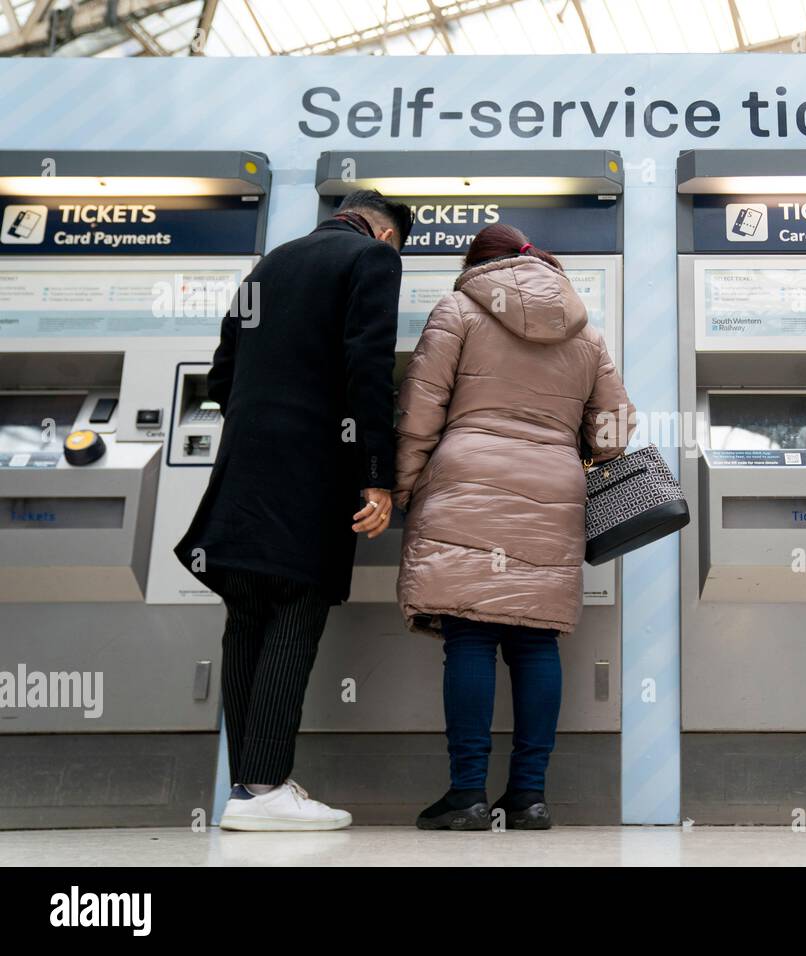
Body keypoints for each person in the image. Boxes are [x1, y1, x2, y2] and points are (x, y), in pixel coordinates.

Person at [176, 190, 413, 831]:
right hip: (311, 468)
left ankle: (247, 790)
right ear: (388, 235)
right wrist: (376, 477)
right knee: (296, 603)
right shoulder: (372, 260)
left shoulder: (272, 261)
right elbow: (368, 367)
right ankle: (268, 786)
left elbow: (221, 376)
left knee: (248, 611)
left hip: (243, 467)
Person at [394, 223, 634, 831]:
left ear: (479, 266)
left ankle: (466, 796)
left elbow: (419, 410)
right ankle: (528, 797)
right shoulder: (586, 332)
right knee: (535, 639)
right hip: (555, 486)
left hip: (467, 479)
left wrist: (400, 488)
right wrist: (567, 453)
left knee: (470, 637)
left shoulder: (456, 310)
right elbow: (613, 431)